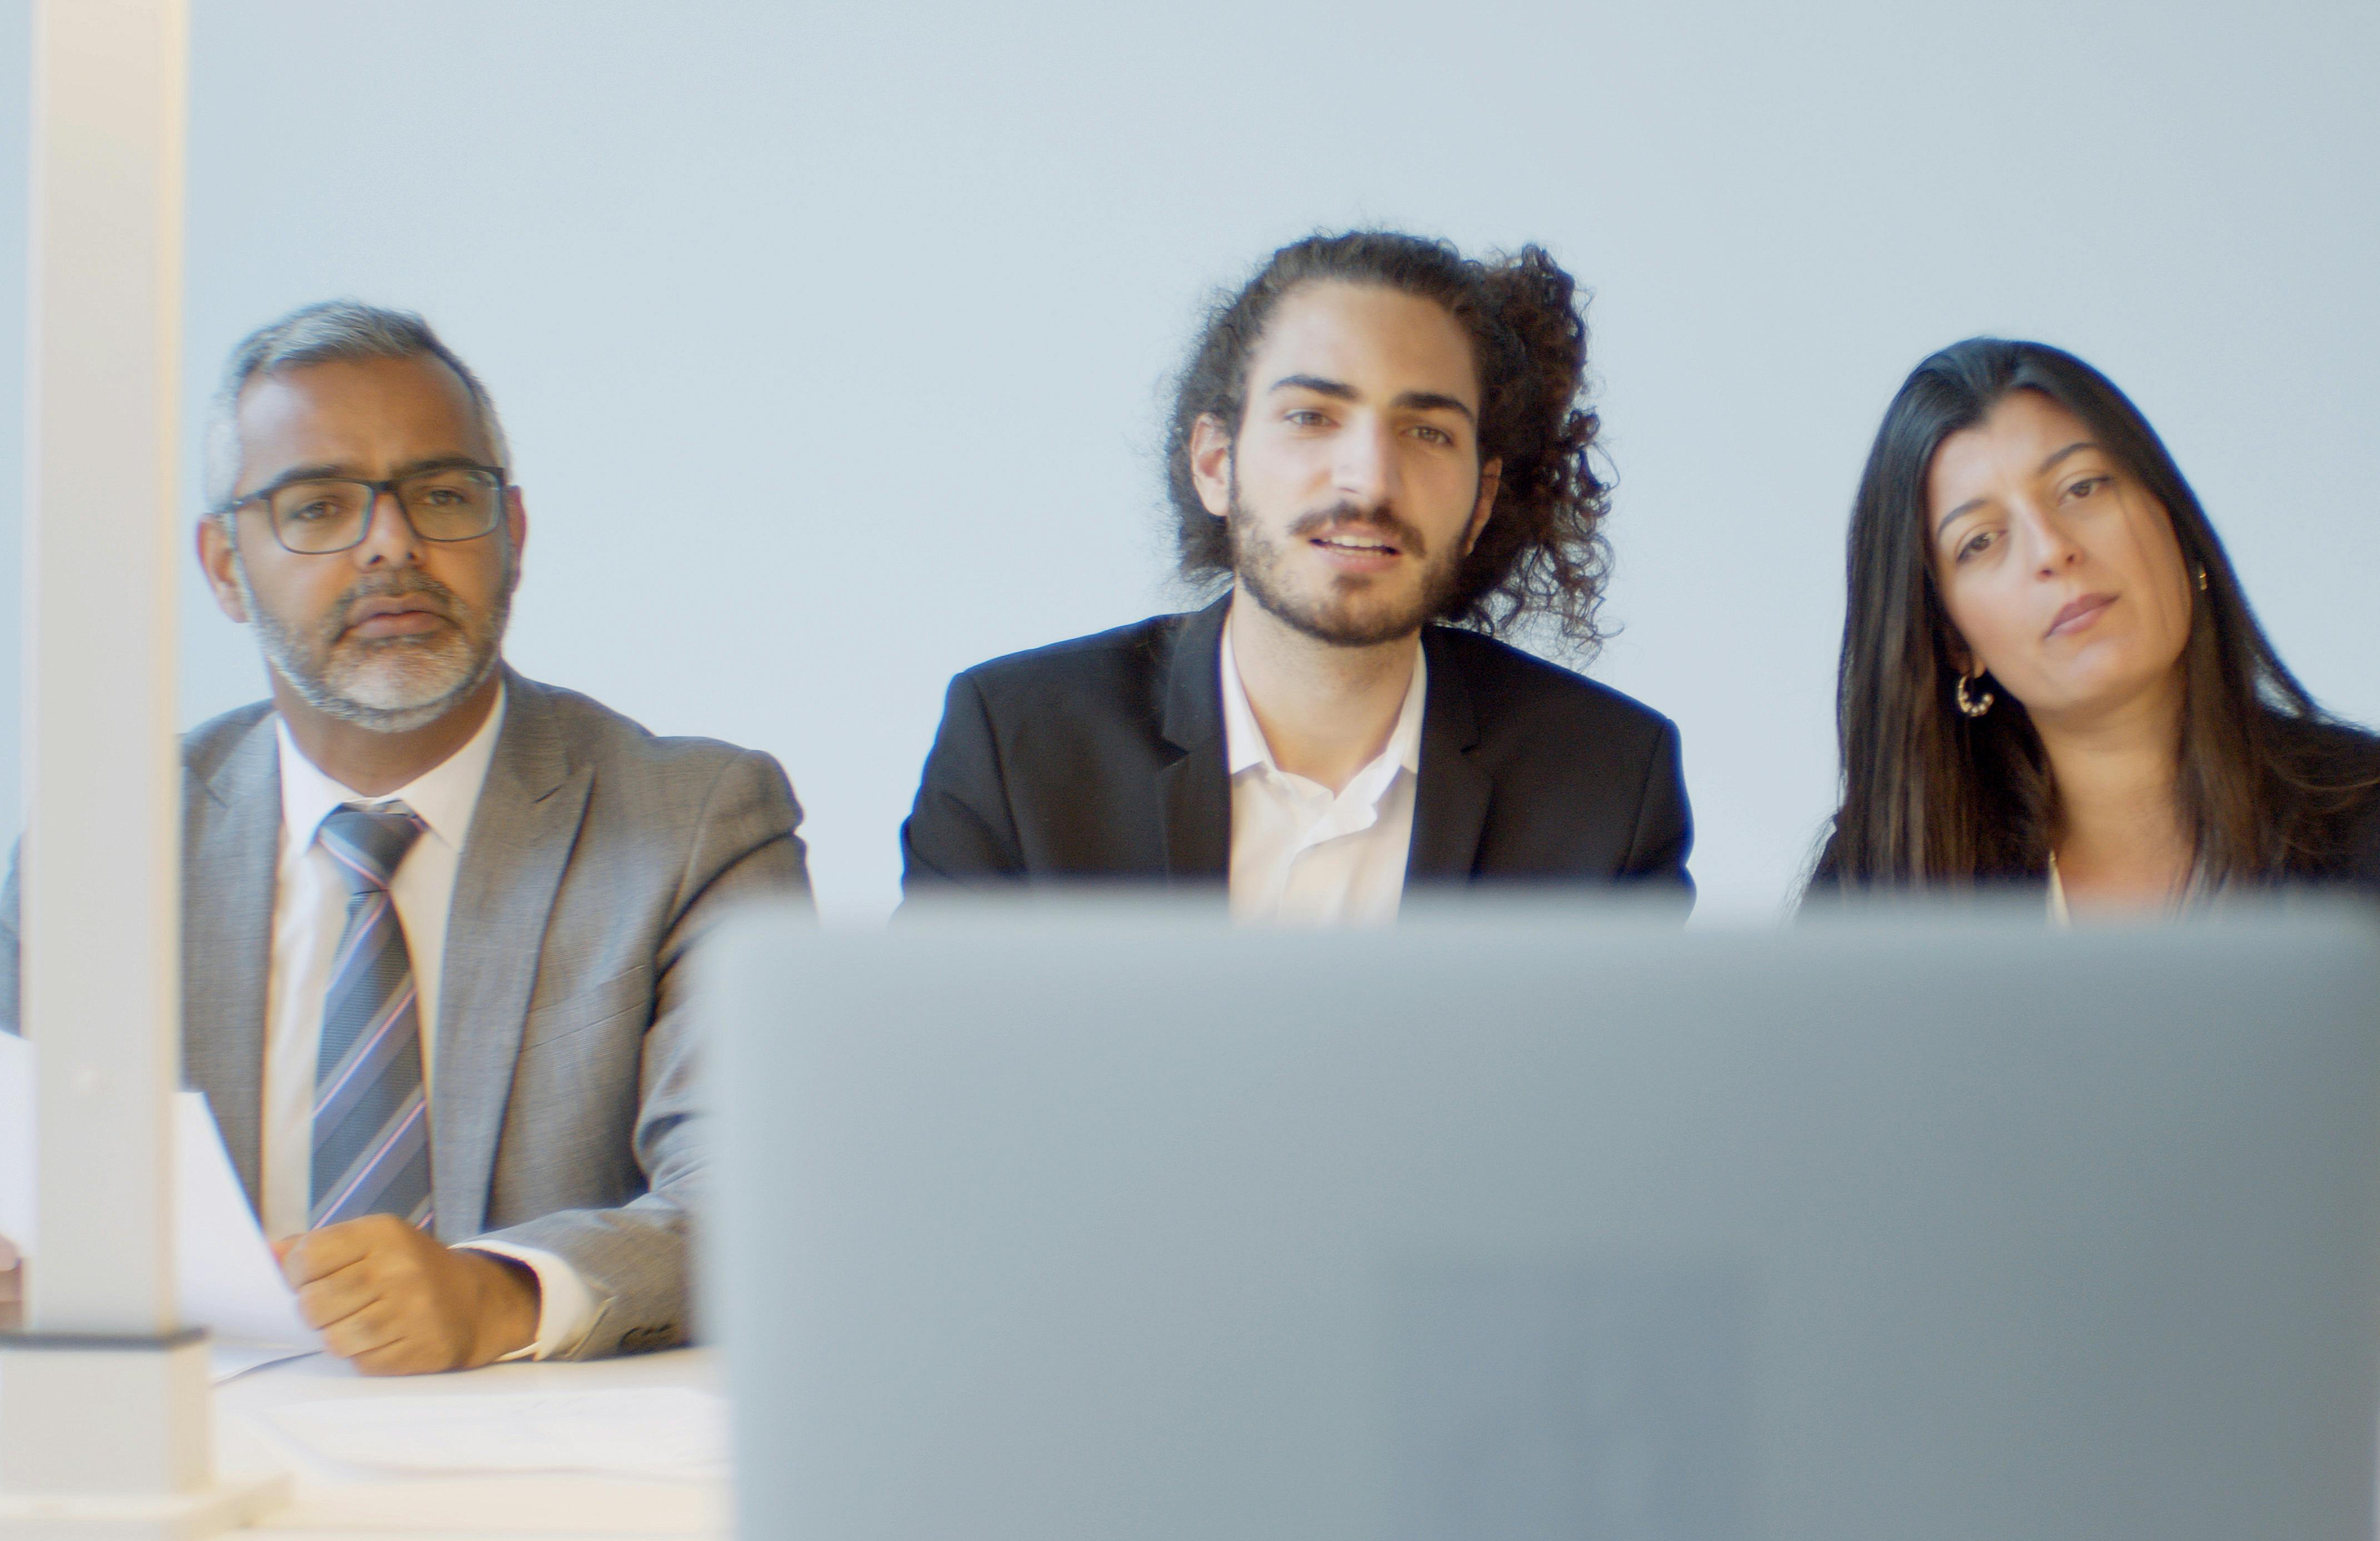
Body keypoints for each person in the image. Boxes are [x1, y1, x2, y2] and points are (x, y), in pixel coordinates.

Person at [0, 301, 809, 1373]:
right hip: (188, 1458)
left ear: (511, 537)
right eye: (319, 506)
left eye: (440, 496)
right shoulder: (111, 838)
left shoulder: (697, 822)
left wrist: (499, 1295)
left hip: (551, 1482)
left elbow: (758, 1203)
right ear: (225, 569)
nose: (392, 543)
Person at [1810, 338, 2380, 1335]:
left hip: (2350, 1433)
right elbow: (1831, 1247)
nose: (2053, 549)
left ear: (2174, 523)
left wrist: (2231, 1298)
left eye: (2084, 487)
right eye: (1979, 543)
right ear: (1955, 636)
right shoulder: (1882, 886)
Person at [902, 231, 1693, 916]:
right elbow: (940, 1074)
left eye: (1427, 432)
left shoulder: (1610, 783)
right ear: (1216, 464)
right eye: (1311, 417)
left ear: (1482, 500)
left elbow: (1630, 1092)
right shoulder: (1016, 746)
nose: (1369, 481)